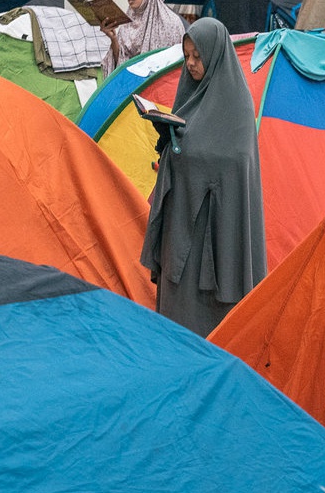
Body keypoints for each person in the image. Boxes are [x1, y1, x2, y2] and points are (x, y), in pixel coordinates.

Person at [140, 17, 266, 337]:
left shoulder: (236, 103)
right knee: (177, 311)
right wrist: (170, 137)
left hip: (218, 233)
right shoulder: (190, 94)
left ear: (215, 55)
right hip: (183, 223)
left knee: (210, 319)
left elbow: (234, 161)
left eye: (198, 57)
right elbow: (189, 143)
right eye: (188, 57)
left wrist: (186, 147)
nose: (192, 64)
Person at [100, 0, 186, 76]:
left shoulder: (171, 23)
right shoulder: (126, 25)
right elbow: (122, 64)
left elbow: (177, 65)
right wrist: (113, 39)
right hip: (132, 87)